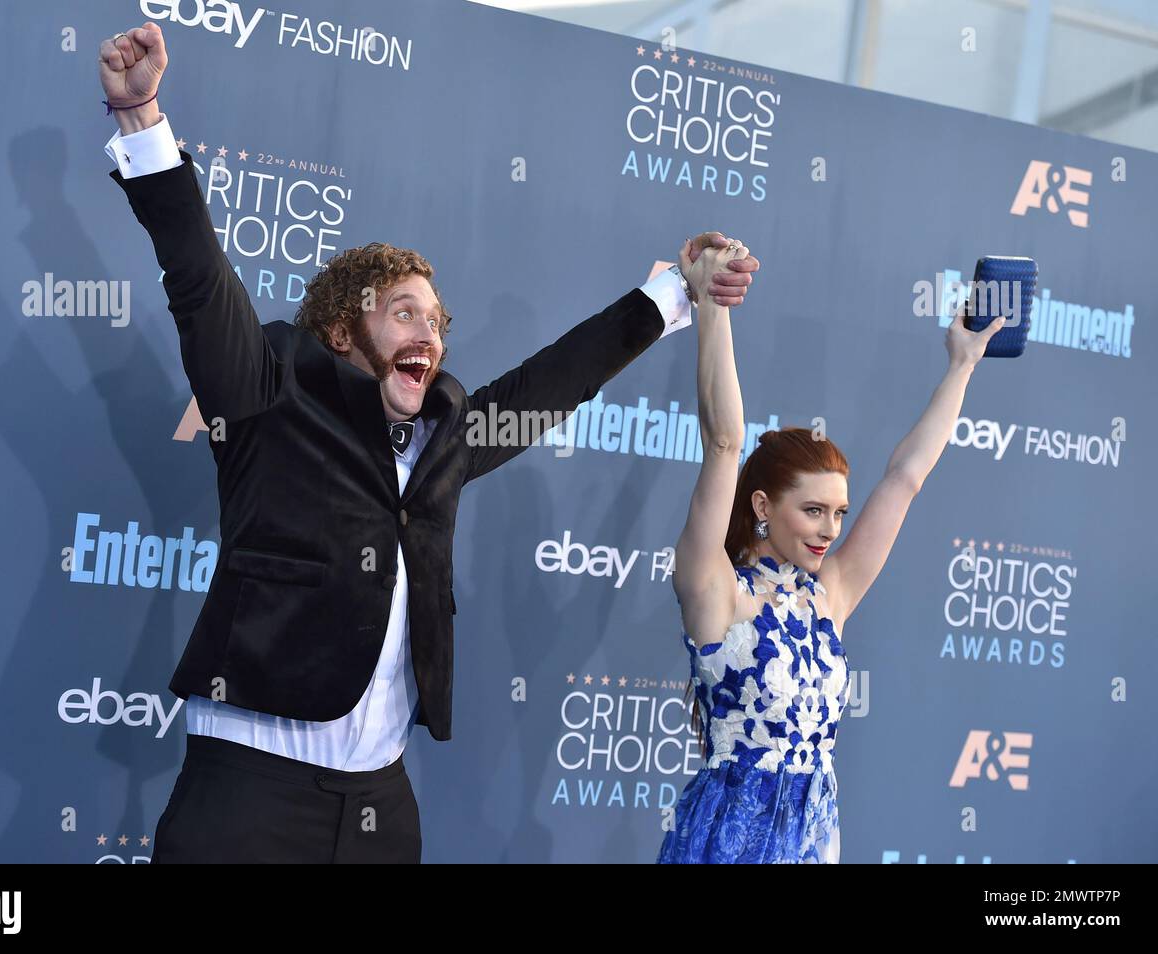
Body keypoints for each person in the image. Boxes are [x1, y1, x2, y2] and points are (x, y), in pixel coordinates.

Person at [98, 23, 760, 862]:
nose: (430, 333)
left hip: (380, 803)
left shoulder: (446, 440)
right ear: (341, 330)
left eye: (437, 320)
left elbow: (552, 383)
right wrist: (142, 117)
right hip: (248, 796)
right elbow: (197, 276)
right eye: (402, 312)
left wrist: (677, 290)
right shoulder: (267, 396)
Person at [657, 242, 1007, 863]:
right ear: (763, 506)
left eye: (839, 513)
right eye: (813, 510)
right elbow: (722, 441)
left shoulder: (831, 594)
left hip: (815, 838)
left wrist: (962, 365)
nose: (830, 530)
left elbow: (905, 477)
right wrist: (716, 306)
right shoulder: (716, 590)